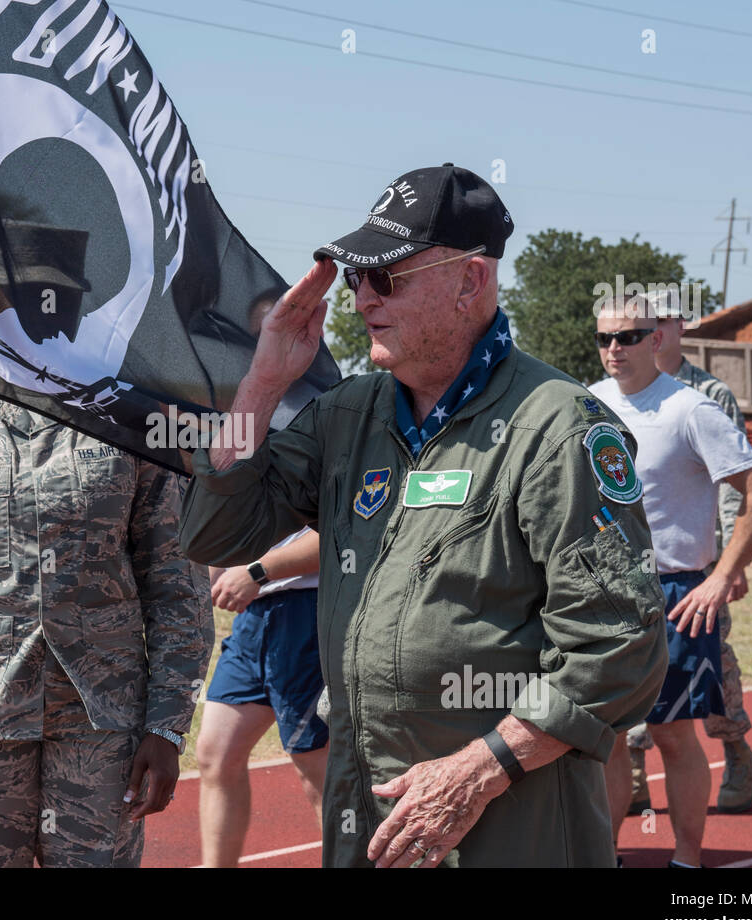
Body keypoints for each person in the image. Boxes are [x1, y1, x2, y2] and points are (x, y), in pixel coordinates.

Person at [180, 164, 668, 868]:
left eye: (388, 279)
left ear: (470, 281)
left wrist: (479, 770)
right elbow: (212, 532)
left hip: (507, 823)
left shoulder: (557, 428)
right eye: (356, 280)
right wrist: (262, 382)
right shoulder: (349, 414)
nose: (361, 301)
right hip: (368, 819)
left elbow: (619, 649)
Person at [0, 263, 213, 867]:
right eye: (25, 295)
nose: (44, 311)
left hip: (101, 716)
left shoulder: (130, 417)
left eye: (61, 298)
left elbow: (176, 585)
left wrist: (167, 729)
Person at [591, 295, 752, 867]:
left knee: (673, 736)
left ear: (656, 339)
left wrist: (722, 576)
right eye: (604, 338)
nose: (614, 349)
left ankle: (686, 860)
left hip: (674, 595)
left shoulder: (690, 409)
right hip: (602, 595)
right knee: (609, 739)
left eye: (628, 336)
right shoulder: (586, 404)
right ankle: (608, 854)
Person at [632, 306, 752, 813]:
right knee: (632, 675)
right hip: (637, 570)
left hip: (697, 568)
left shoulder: (707, 396)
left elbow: (735, 484)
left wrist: (734, 561)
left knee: (716, 667)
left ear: (676, 329)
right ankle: (635, 770)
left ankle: (736, 751)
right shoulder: (617, 391)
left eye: (668, 321)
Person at [196, 529, 326, 867]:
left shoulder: (325, 472)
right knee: (216, 755)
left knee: (318, 770)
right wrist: (194, 590)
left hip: (308, 610)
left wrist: (256, 571)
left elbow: (340, 531)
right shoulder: (241, 473)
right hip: (252, 616)